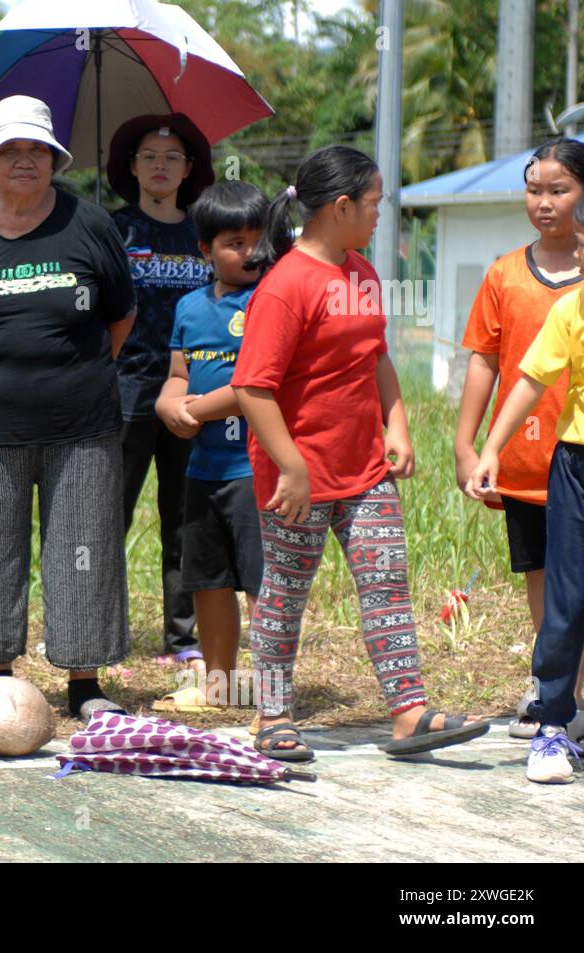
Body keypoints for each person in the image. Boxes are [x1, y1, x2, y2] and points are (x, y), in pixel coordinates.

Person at [232, 145, 489, 761]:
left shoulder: (363, 273)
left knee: (386, 583)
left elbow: (375, 358)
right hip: (295, 478)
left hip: (364, 469)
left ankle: (409, 713)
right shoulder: (286, 286)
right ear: (341, 206)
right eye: (374, 202)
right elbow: (251, 386)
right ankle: (272, 714)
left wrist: (396, 425)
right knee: (286, 594)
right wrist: (291, 466)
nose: (381, 213)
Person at [0, 95, 135, 718]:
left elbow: (121, 316)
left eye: (37, 150)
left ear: (54, 160)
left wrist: (71, 370)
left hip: (82, 421)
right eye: (11, 151)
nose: (25, 160)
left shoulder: (90, 224)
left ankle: (84, 683)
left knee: (83, 545)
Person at [455, 138, 584, 739]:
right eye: (535, 190)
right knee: (545, 580)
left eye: (559, 190)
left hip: (576, 455)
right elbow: (485, 360)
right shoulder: (505, 273)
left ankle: (574, 697)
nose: (545, 202)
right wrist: (468, 441)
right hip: (527, 462)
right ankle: (554, 690)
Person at [152, 182, 267, 713]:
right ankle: (220, 686)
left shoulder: (271, 302)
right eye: (235, 243)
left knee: (261, 583)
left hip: (256, 468)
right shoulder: (189, 308)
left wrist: (195, 409)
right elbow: (179, 374)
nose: (250, 253)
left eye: (257, 241)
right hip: (203, 468)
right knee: (209, 580)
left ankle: (270, 690)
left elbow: (257, 384)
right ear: (205, 250)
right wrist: (168, 405)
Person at [107, 114, 215, 675]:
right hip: (124, 391)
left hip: (195, 395)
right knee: (110, 516)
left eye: (172, 158)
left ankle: (182, 635)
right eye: (148, 156)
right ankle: (104, 634)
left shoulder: (205, 229)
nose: (159, 166)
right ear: (131, 167)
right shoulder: (109, 230)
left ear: (189, 169)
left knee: (184, 516)